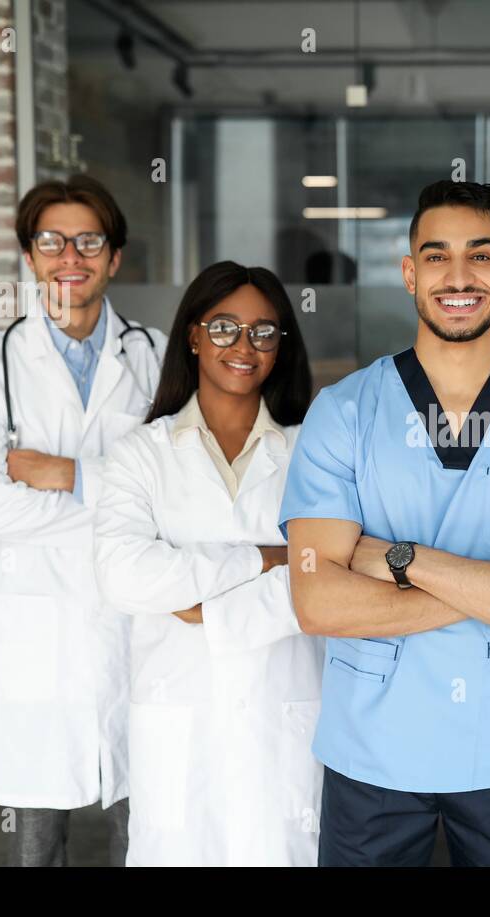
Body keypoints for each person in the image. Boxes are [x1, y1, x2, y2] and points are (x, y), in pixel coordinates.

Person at [280, 180, 490, 867]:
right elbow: (318, 601)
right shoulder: (343, 411)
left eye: (480, 255)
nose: (458, 276)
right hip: (371, 753)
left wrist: (403, 560)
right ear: (409, 274)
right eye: (436, 257)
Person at [0, 174, 166, 865]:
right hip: (37, 643)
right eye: (52, 241)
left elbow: (179, 499)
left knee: (149, 826)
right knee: (37, 843)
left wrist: (63, 475)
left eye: (90, 240)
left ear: (116, 256)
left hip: (140, 628)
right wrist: (122, 506)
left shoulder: (158, 357)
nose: (72, 255)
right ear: (31, 257)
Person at [94, 261, 323, 865]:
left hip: (285, 715)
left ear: (281, 346)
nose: (243, 346)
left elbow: (328, 577)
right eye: (223, 327)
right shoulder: (139, 455)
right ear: (193, 336)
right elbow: (123, 573)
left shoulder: (311, 453)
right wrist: (262, 558)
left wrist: (204, 601)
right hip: (178, 717)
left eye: (263, 331)